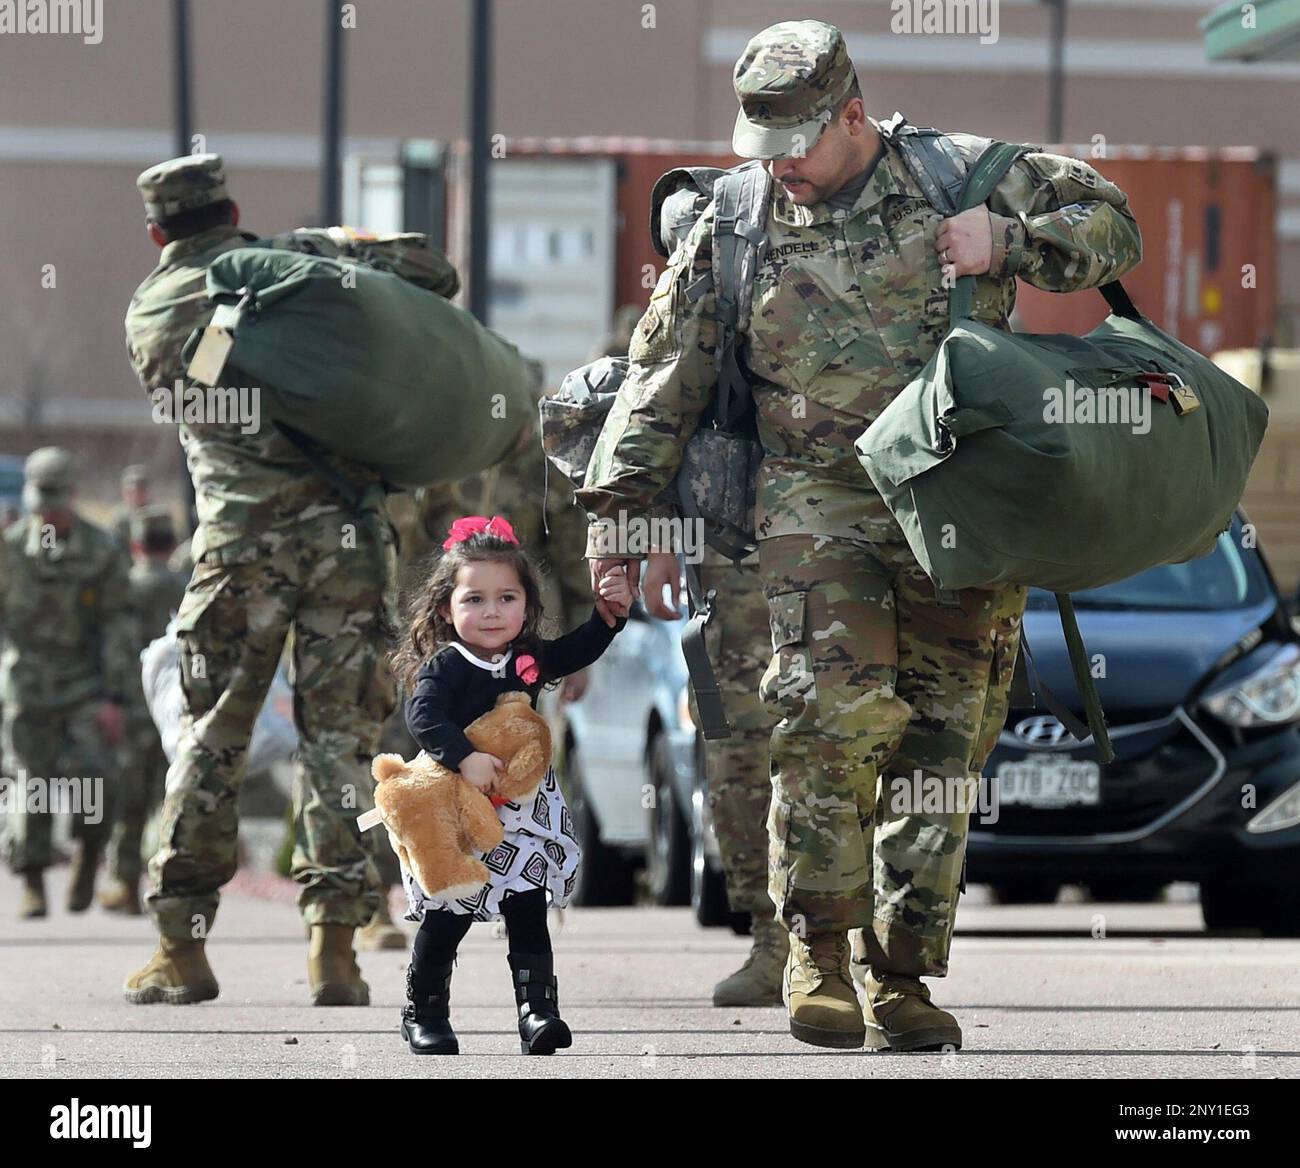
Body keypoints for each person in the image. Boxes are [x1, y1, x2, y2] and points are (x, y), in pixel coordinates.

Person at [579, 19, 1142, 1050]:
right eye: (763, 144)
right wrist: (620, 518)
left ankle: (902, 977)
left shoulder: (958, 175)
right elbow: (665, 372)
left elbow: (1115, 232)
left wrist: (1009, 244)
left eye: (798, 140)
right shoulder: (737, 215)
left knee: (942, 747)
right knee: (827, 724)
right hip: (814, 505)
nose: (780, 164)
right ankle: (815, 952)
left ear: (851, 116)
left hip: (959, 505)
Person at [120, 154, 454, 1006]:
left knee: (210, 746)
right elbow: (432, 271)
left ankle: (181, 951)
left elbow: (187, 387)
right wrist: (338, 246)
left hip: (241, 557)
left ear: (159, 233)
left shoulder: (156, 307)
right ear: (234, 209)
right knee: (338, 746)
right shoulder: (304, 263)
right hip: (349, 551)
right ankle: (333, 954)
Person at [390, 515, 631, 1055]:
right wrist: (464, 757)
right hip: (454, 808)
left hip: (520, 812)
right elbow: (423, 717)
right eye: (474, 599)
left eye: (506, 597)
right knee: (449, 910)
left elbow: (578, 649)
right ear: (445, 609)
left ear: (526, 605)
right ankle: (423, 1011)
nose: (491, 612)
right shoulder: (446, 665)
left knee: (527, 903)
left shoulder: (528, 659)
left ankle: (537, 1011)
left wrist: (609, 617)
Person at [0, 447, 132, 918]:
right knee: (29, 786)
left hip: (85, 686)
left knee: (97, 780)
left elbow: (118, 625)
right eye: (42, 505)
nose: (48, 514)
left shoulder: (102, 551)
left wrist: (115, 696)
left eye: (56, 503)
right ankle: (33, 882)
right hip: (26, 686)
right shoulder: (10, 549)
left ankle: (89, 854)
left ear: (72, 496)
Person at [100, 505, 188, 914]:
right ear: (170, 544)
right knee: (169, 796)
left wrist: (113, 698)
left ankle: (124, 883)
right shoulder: (187, 586)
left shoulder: (126, 588)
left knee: (130, 798)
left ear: (136, 544)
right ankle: (166, 880)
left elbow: (116, 648)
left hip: (135, 707)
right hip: (177, 709)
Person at [109, 465, 151, 548]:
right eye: (131, 492)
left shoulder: (156, 514)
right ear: (124, 492)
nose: (136, 495)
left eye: (141, 490)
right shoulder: (118, 518)